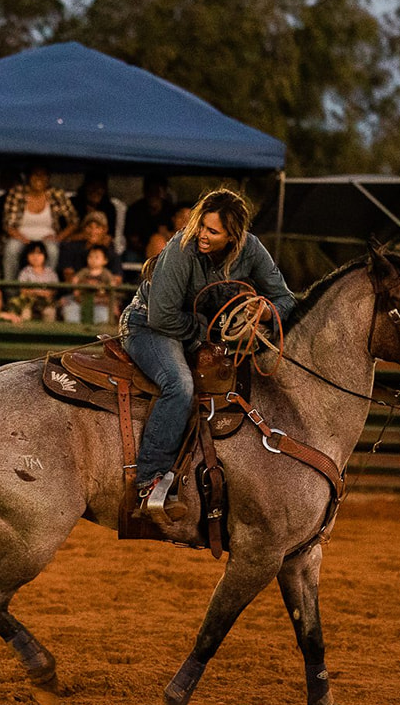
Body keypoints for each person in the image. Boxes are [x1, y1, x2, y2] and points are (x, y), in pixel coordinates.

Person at [122, 188, 295, 516]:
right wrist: (209, 332)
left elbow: (285, 298)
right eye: (202, 225)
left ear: (233, 236)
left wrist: (265, 312)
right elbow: (162, 317)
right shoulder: (181, 248)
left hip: (195, 333)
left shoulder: (251, 249)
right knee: (179, 385)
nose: (202, 234)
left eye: (212, 231)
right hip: (149, 326)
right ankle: (148, 481)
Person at [0, 165, 77, 279]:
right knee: (11, 249)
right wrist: (22, 238)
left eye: (44, 175)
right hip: (20, 236)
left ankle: (47, 286)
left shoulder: (57, 194)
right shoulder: (17, 193)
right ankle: (10, 287)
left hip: (48, 237)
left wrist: (59, 237)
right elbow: (7, 225)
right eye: (36, 175)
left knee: (53, 251)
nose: (39, 179)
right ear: (29, 177)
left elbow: (74, 221)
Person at [121, 175, 174, 281]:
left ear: (163, 192)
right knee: (129, 257)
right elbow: (132, 239)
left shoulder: (170, 210)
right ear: (145, 192)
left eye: (157, 191)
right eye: (151, 191)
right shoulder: (135, 210)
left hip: (165, 251)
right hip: (139, 251)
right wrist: (149, 249)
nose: (154, 195)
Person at [60, 244, 120, 325]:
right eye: (90, 257)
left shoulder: (106, 274)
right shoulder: (84, 271)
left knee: (103, 317)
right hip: (81, 301)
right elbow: (75, 281)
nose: (93, 260)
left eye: (96, 257)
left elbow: (112, 285)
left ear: (105, 261)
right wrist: (77, 290)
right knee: (70, 311)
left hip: (100, 303)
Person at [57, 210, 113, 281]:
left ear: (105, 230)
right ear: (84, 229)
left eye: (97, 227)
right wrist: (87, 284)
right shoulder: (69, 248)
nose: (93, 231)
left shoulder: (110, 250)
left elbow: (117, 279)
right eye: (89, 227)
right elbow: (68, 277)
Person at [14, 241, 59, 321]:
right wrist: (40, 292)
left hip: (46, 303)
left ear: (45, 255)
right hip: (28, 302)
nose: (35, 257)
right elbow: (23, 290)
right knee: (26, 313)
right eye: (32, 254)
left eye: (39, 254)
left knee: (50, 312)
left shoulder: (50, 272)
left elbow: (53, 291)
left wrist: (35, 291)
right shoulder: (25, 272)